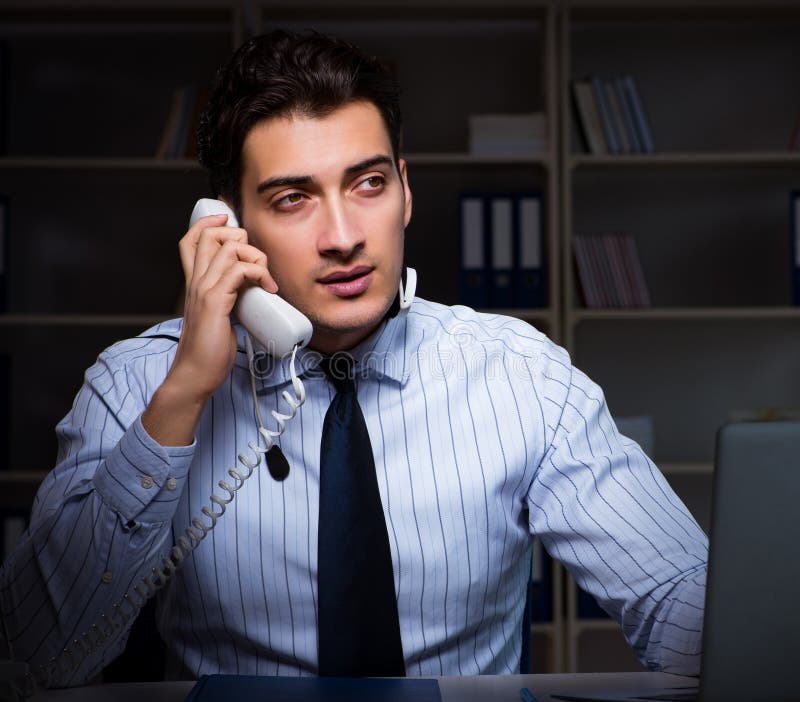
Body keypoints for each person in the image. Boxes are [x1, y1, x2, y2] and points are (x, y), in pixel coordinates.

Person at [0, 30, 707, 688]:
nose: (343, 237)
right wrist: (185, 393)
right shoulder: (138, 382)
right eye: (292, 198)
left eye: (368, 184)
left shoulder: (523, 376)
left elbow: (686, 602)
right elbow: (37, 657)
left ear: (405, 190)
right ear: (227, 227)